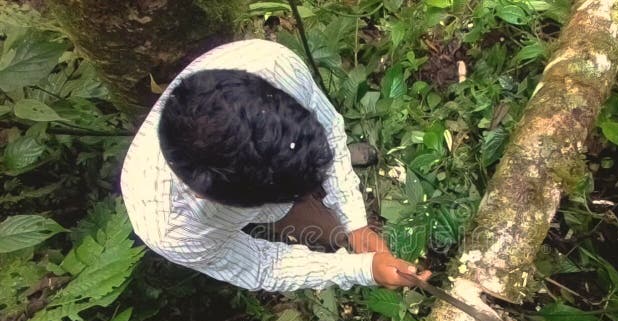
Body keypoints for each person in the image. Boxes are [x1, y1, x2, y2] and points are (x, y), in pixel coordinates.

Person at [120, 39, 431, 292]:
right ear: (208, 197)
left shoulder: (273, 65)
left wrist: (357, 224)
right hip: (228, 208)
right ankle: (331, 236)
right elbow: (262, 264)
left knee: (331, 207)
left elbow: (330, 130)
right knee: (312, 223)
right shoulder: (173, 227)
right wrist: (361, 269)